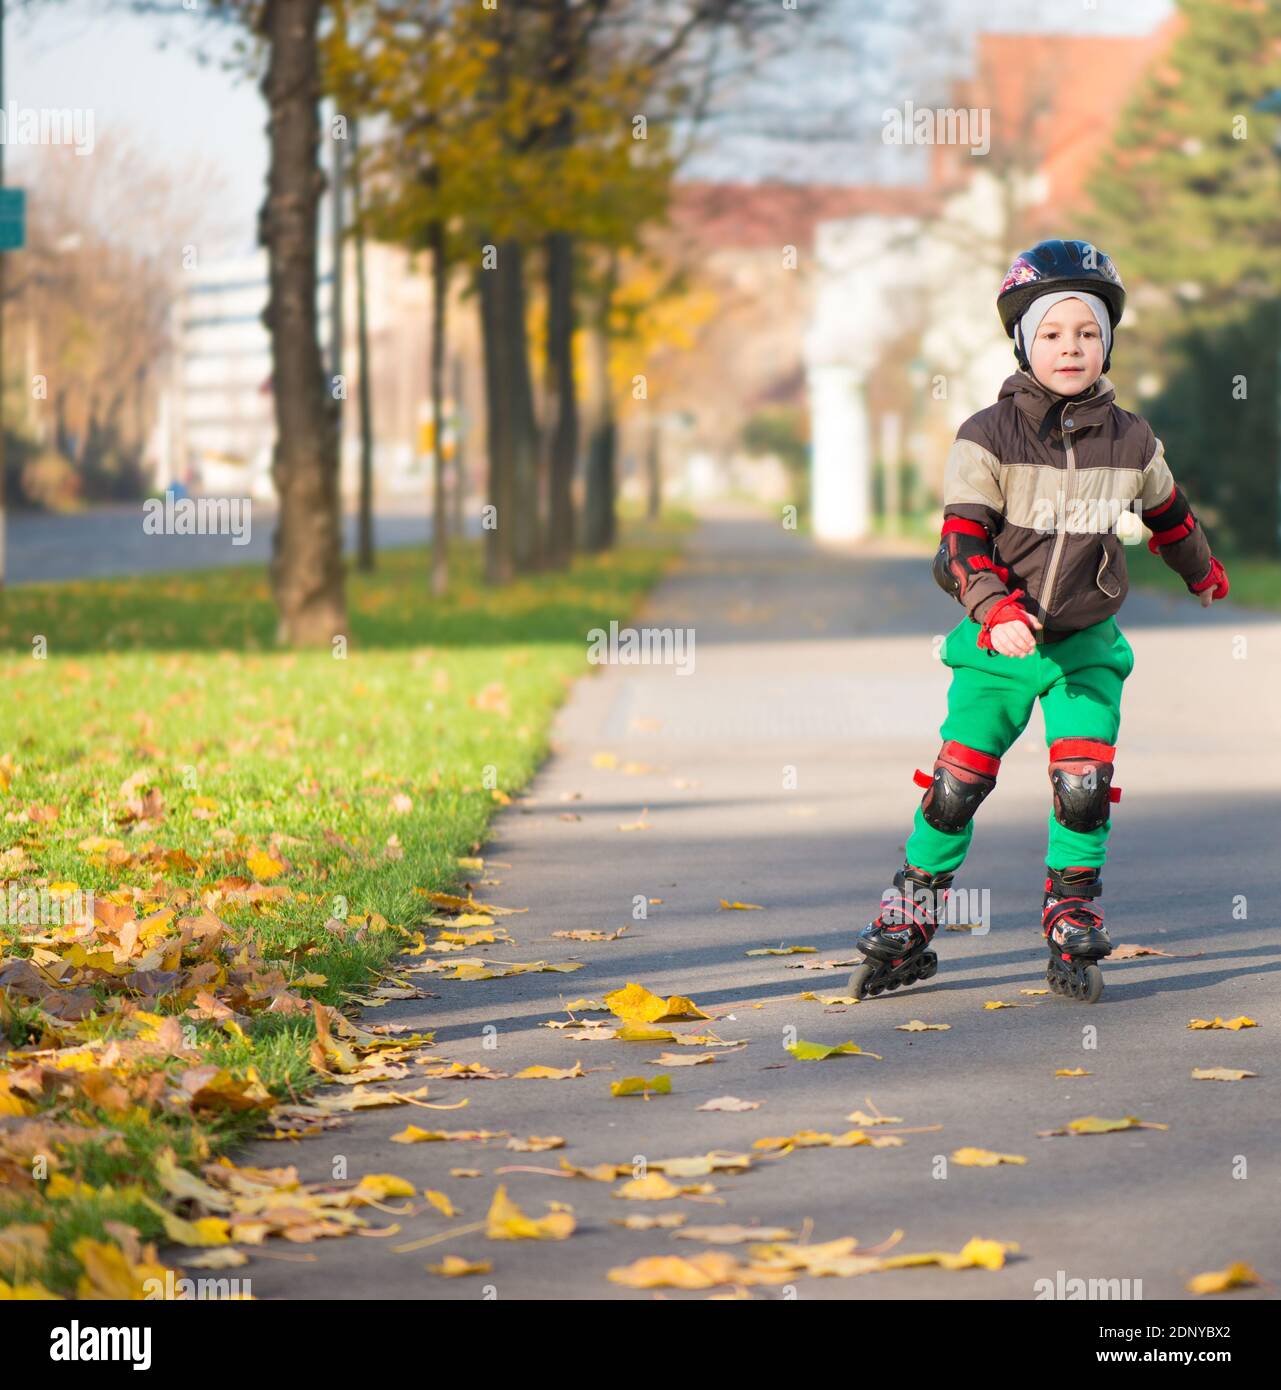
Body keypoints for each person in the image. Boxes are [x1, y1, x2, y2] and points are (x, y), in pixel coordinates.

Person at [851, 239, 1230, 1004]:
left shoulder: (1131, 439)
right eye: (1052, 333)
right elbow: (959, 541)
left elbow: (1166, 513)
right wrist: (993, 609)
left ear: (1106, 344)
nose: (1071, 347)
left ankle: (1070, 905)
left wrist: (1200, 570)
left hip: (1084, 644)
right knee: (958, 783)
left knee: (1082, 779)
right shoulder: (986, 435)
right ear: (1023, 341)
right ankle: (913, 910)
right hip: (997, 644)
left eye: (1087, 333)